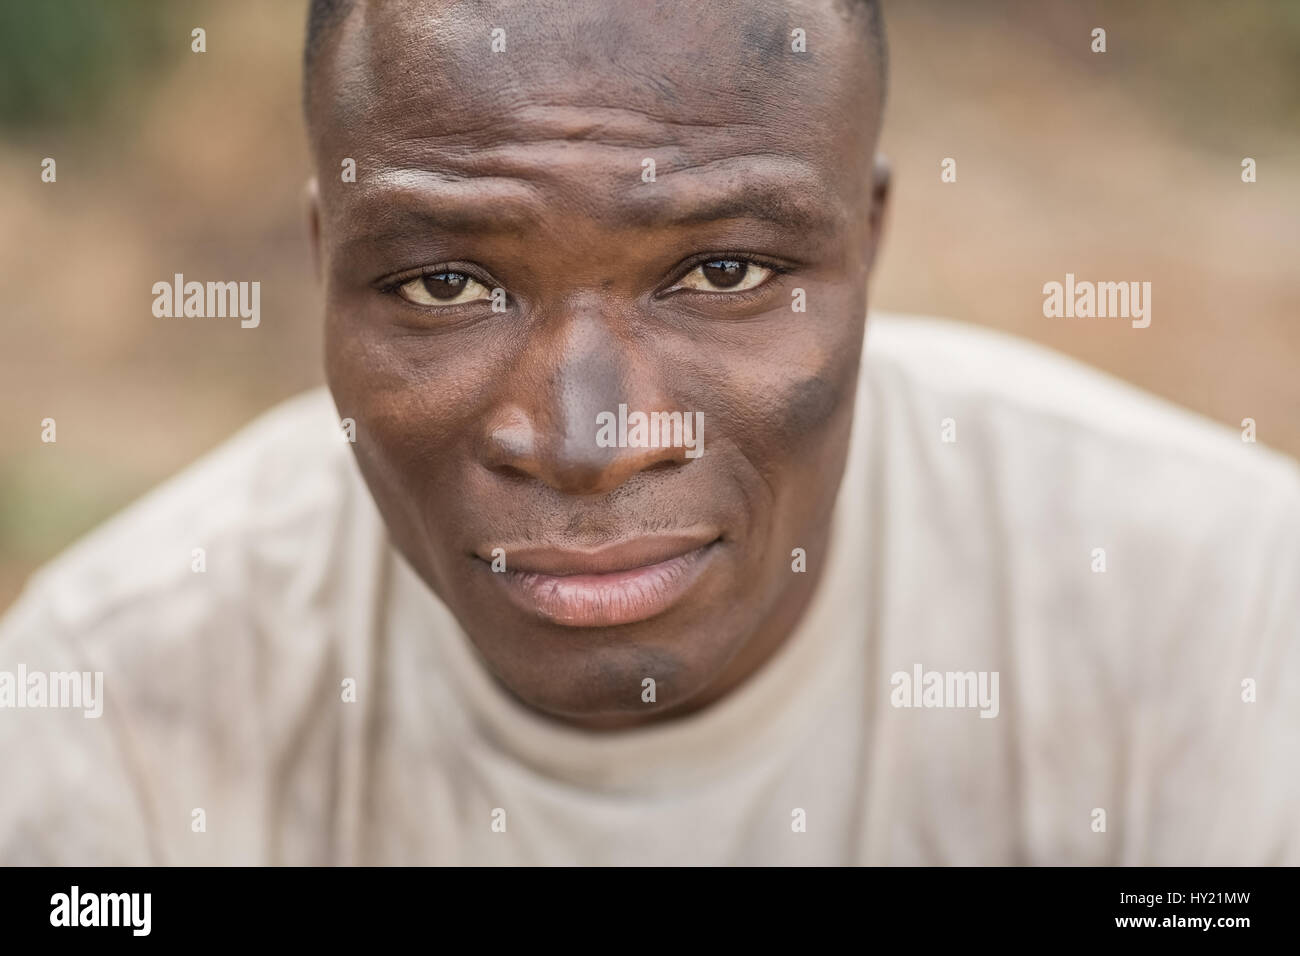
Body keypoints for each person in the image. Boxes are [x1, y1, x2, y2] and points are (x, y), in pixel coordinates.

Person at [1, 0, 1297, 865]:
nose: (585, 439)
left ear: (870, 241)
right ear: (325, 266)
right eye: (447, 285)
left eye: (725, 272)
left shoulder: (1219, 623)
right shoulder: (112, 717)